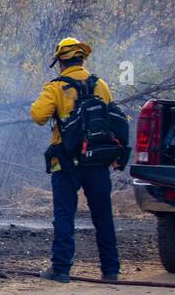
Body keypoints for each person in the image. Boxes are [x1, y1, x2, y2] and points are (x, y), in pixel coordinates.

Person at [29, 37, 120, 282]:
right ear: (82, 59)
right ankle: (110, 270)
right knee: (103, 215)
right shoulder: (100, 84)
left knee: (64, 213)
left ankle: (60, 269)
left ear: (60, 62)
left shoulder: (56, 87)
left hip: (65, 160)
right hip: (97, 159)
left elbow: (38, 116)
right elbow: (113, 117)